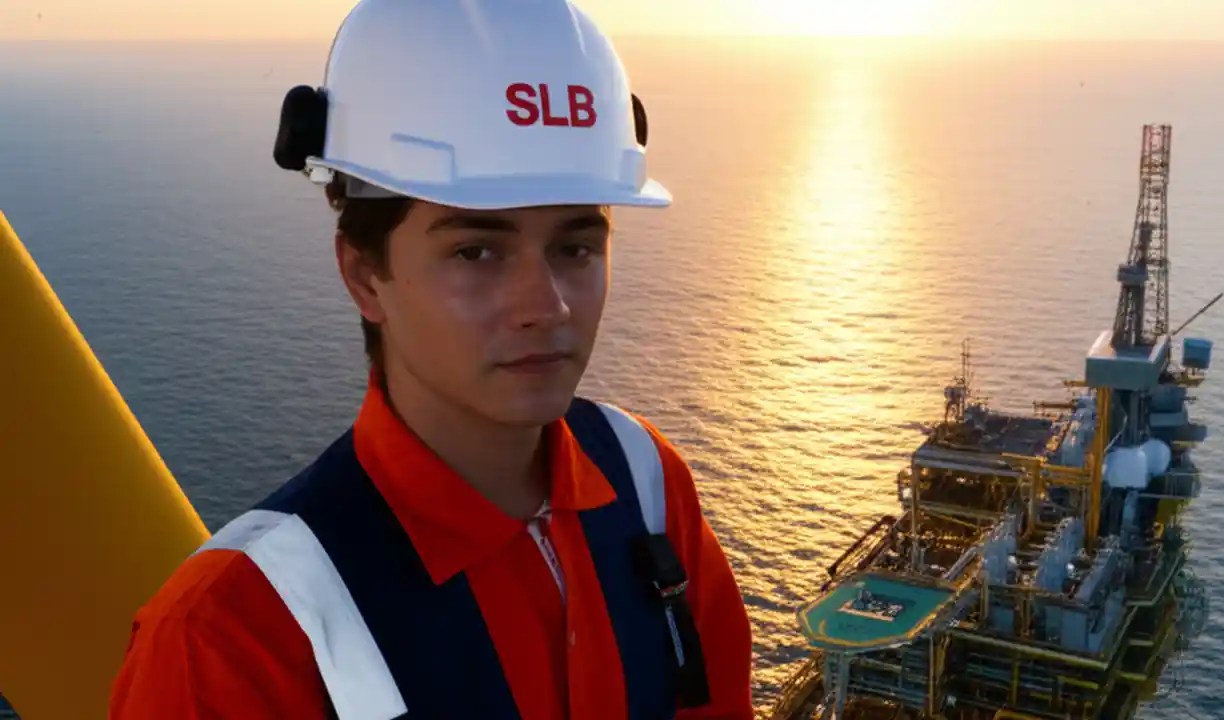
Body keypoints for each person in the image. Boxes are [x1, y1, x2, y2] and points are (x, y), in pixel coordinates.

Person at [107, 1, 754, 718]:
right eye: (476, 252)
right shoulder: (229, 638)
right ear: (363, 273)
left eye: (576, 247)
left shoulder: (647, 481)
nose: (546, 306)